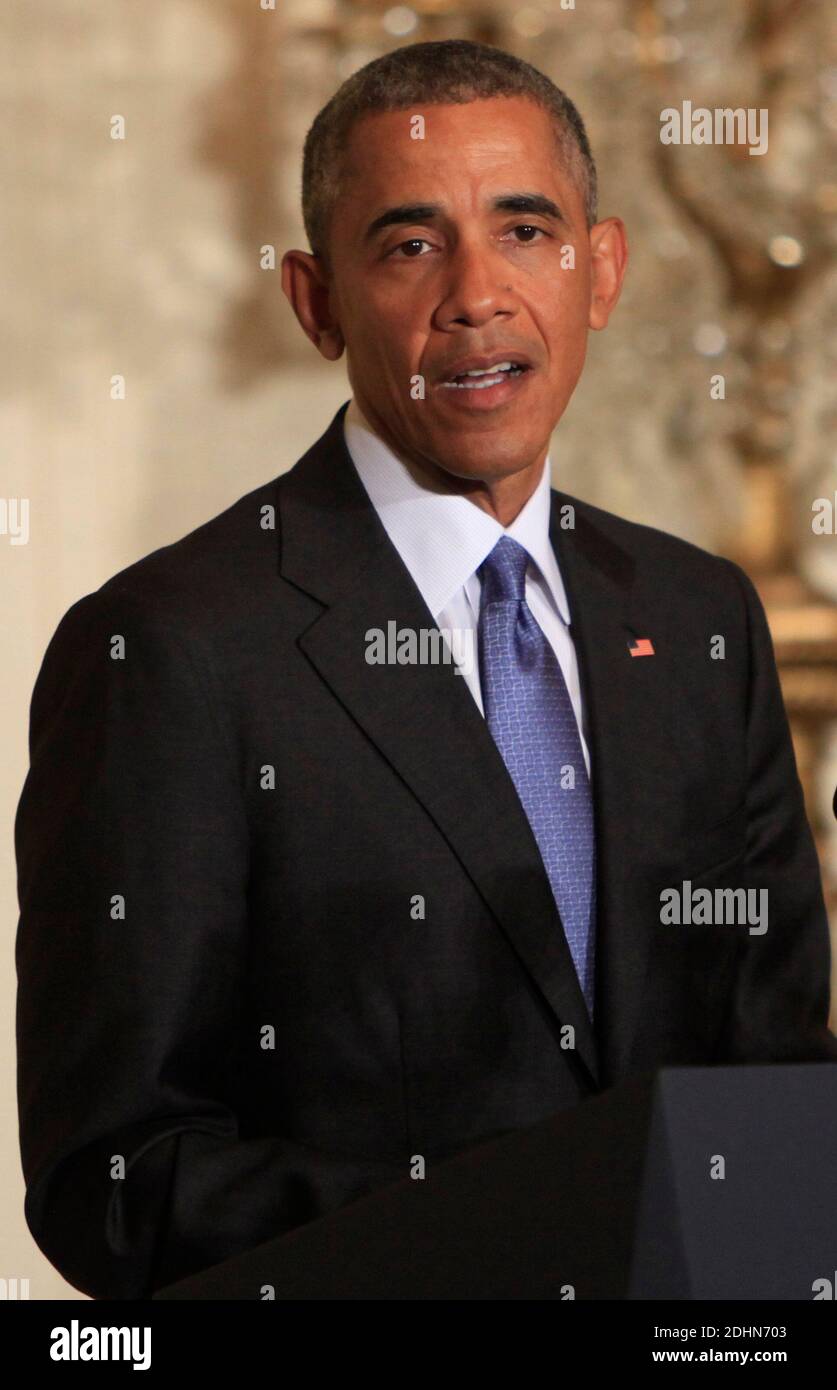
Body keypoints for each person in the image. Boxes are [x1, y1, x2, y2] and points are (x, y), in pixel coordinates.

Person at [16, 38, 837, 1302]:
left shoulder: (698, 616)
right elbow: (116, 1179)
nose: (477, 295)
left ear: (602, 268)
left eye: (525, 230)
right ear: (315, 300)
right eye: (408, 244)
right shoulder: (172, 651)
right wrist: (519, 1229)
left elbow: (775, 1085)